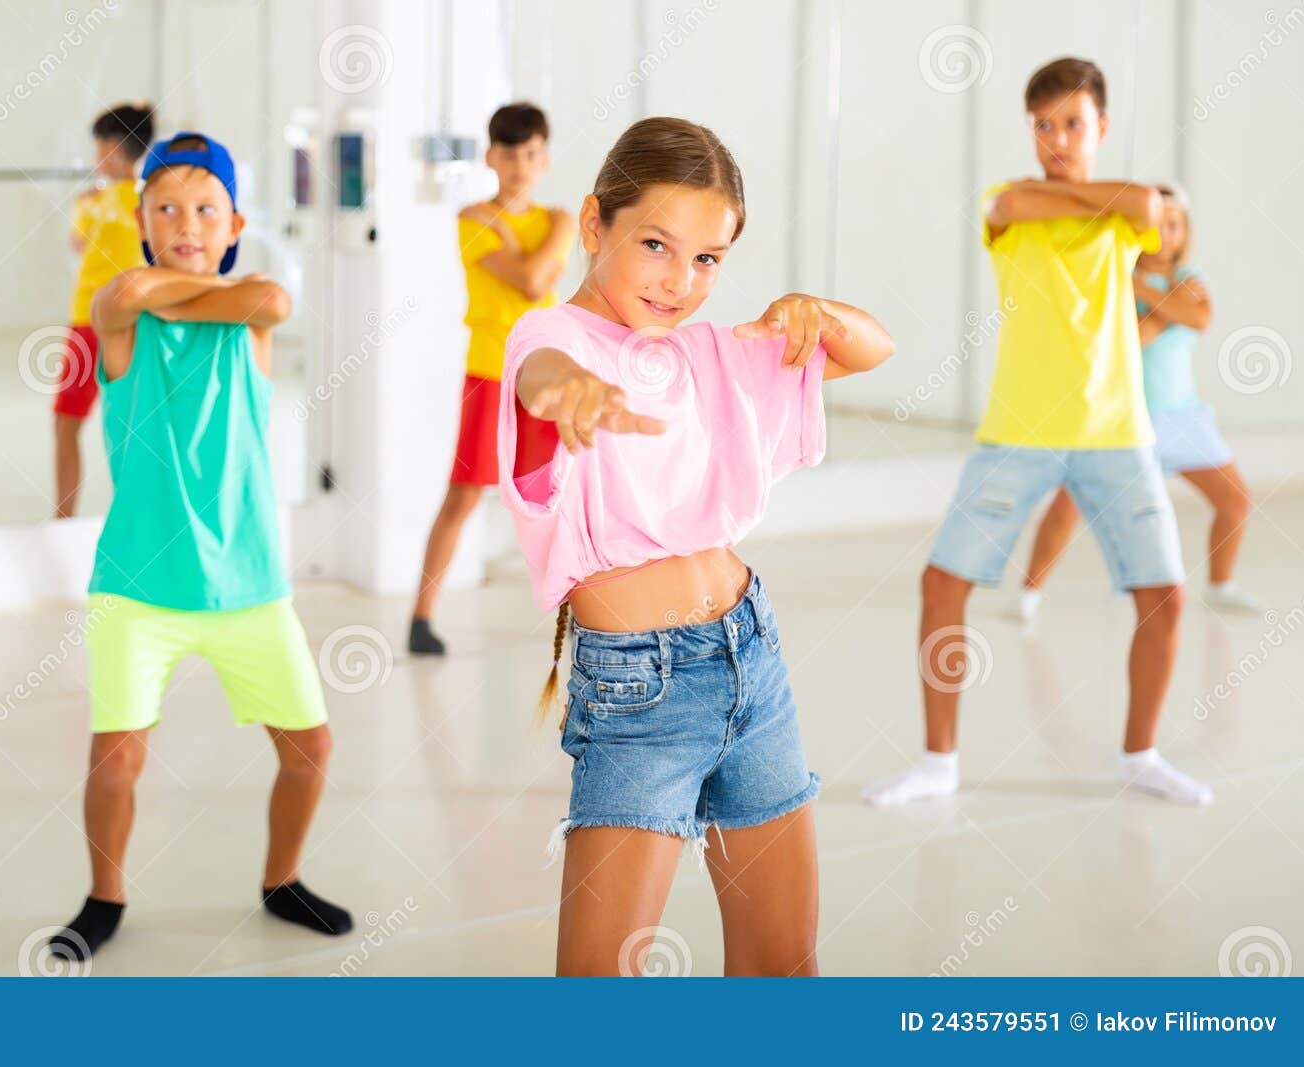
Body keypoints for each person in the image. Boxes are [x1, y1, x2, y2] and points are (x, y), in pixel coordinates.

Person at [499, 117, 894, 975]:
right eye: (655, 244)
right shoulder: (554, 338)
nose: (680, 280)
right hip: (639, 690)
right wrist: (572, 395)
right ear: (593, 224)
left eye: (708, 258)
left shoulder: (713, 353)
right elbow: (539, 375)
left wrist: (815, 312)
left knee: (782, 968)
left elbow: (873, 347)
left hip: (753, 656)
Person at [863, 57, 1212, 809]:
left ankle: (1140, 754)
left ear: (1103, 127)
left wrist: (1096, 196)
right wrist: (1092, 194)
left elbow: (1147, 204)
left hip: (1117, 434)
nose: (1056, 138)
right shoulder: (1009, 204)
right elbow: (1016, 202)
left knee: (1168, 596)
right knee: (941, 585)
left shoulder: (1126, 216)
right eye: (1044, 125)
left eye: (1073, 124)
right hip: (1017, 432)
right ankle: (938, 761)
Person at [50, 133, 351, 962]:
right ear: (141, 220)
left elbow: (272, 303)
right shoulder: (121, 315)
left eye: (206, 209)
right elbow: (131, 290)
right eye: (168, 209)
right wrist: (171, 290)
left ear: (235, 222)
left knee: (311, 748)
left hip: (250, 585)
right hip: (137, 587)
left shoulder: (251, 313)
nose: (187, 222)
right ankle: (103, 895)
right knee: (115, 763)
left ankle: (280, 878)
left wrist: (172, 292)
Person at [1016, 183, 1258, 621]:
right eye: (1157, 225)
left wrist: (1149, 296)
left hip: (1182, 417)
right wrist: (1167, 307)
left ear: (1185, 230)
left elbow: (1200, 318)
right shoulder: (1117, 278)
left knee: (1236, 500)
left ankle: (1222, 583)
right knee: (1068, 504)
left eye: (1174, 225)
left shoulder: (1188, 279)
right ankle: (1030, 591)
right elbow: (1137, 336)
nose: (1165, 234)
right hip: (1123, 419)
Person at [409, 102, 574, 655]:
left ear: (544, 159)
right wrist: (542, 252)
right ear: (490, 157)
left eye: (530, 153)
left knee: (558, 494)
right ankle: (421, 617)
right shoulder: (472, 218)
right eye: (509, 152)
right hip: (489, 372)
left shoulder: (560, 218)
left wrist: (542, 246)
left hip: (543, 370)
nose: (520, 164)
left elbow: (532, 276)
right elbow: (532, 281)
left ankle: (580, 616)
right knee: (463, 495)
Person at [52, 103, 155, 518]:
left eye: (99, 147)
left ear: (112, 149)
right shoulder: (152, 199)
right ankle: (134, 512)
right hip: (139, 322)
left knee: (66, 421)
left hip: (90, 322)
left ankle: (63, 516)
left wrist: (86, 204)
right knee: (131, 426)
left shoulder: (95, 202)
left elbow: (77, 244)